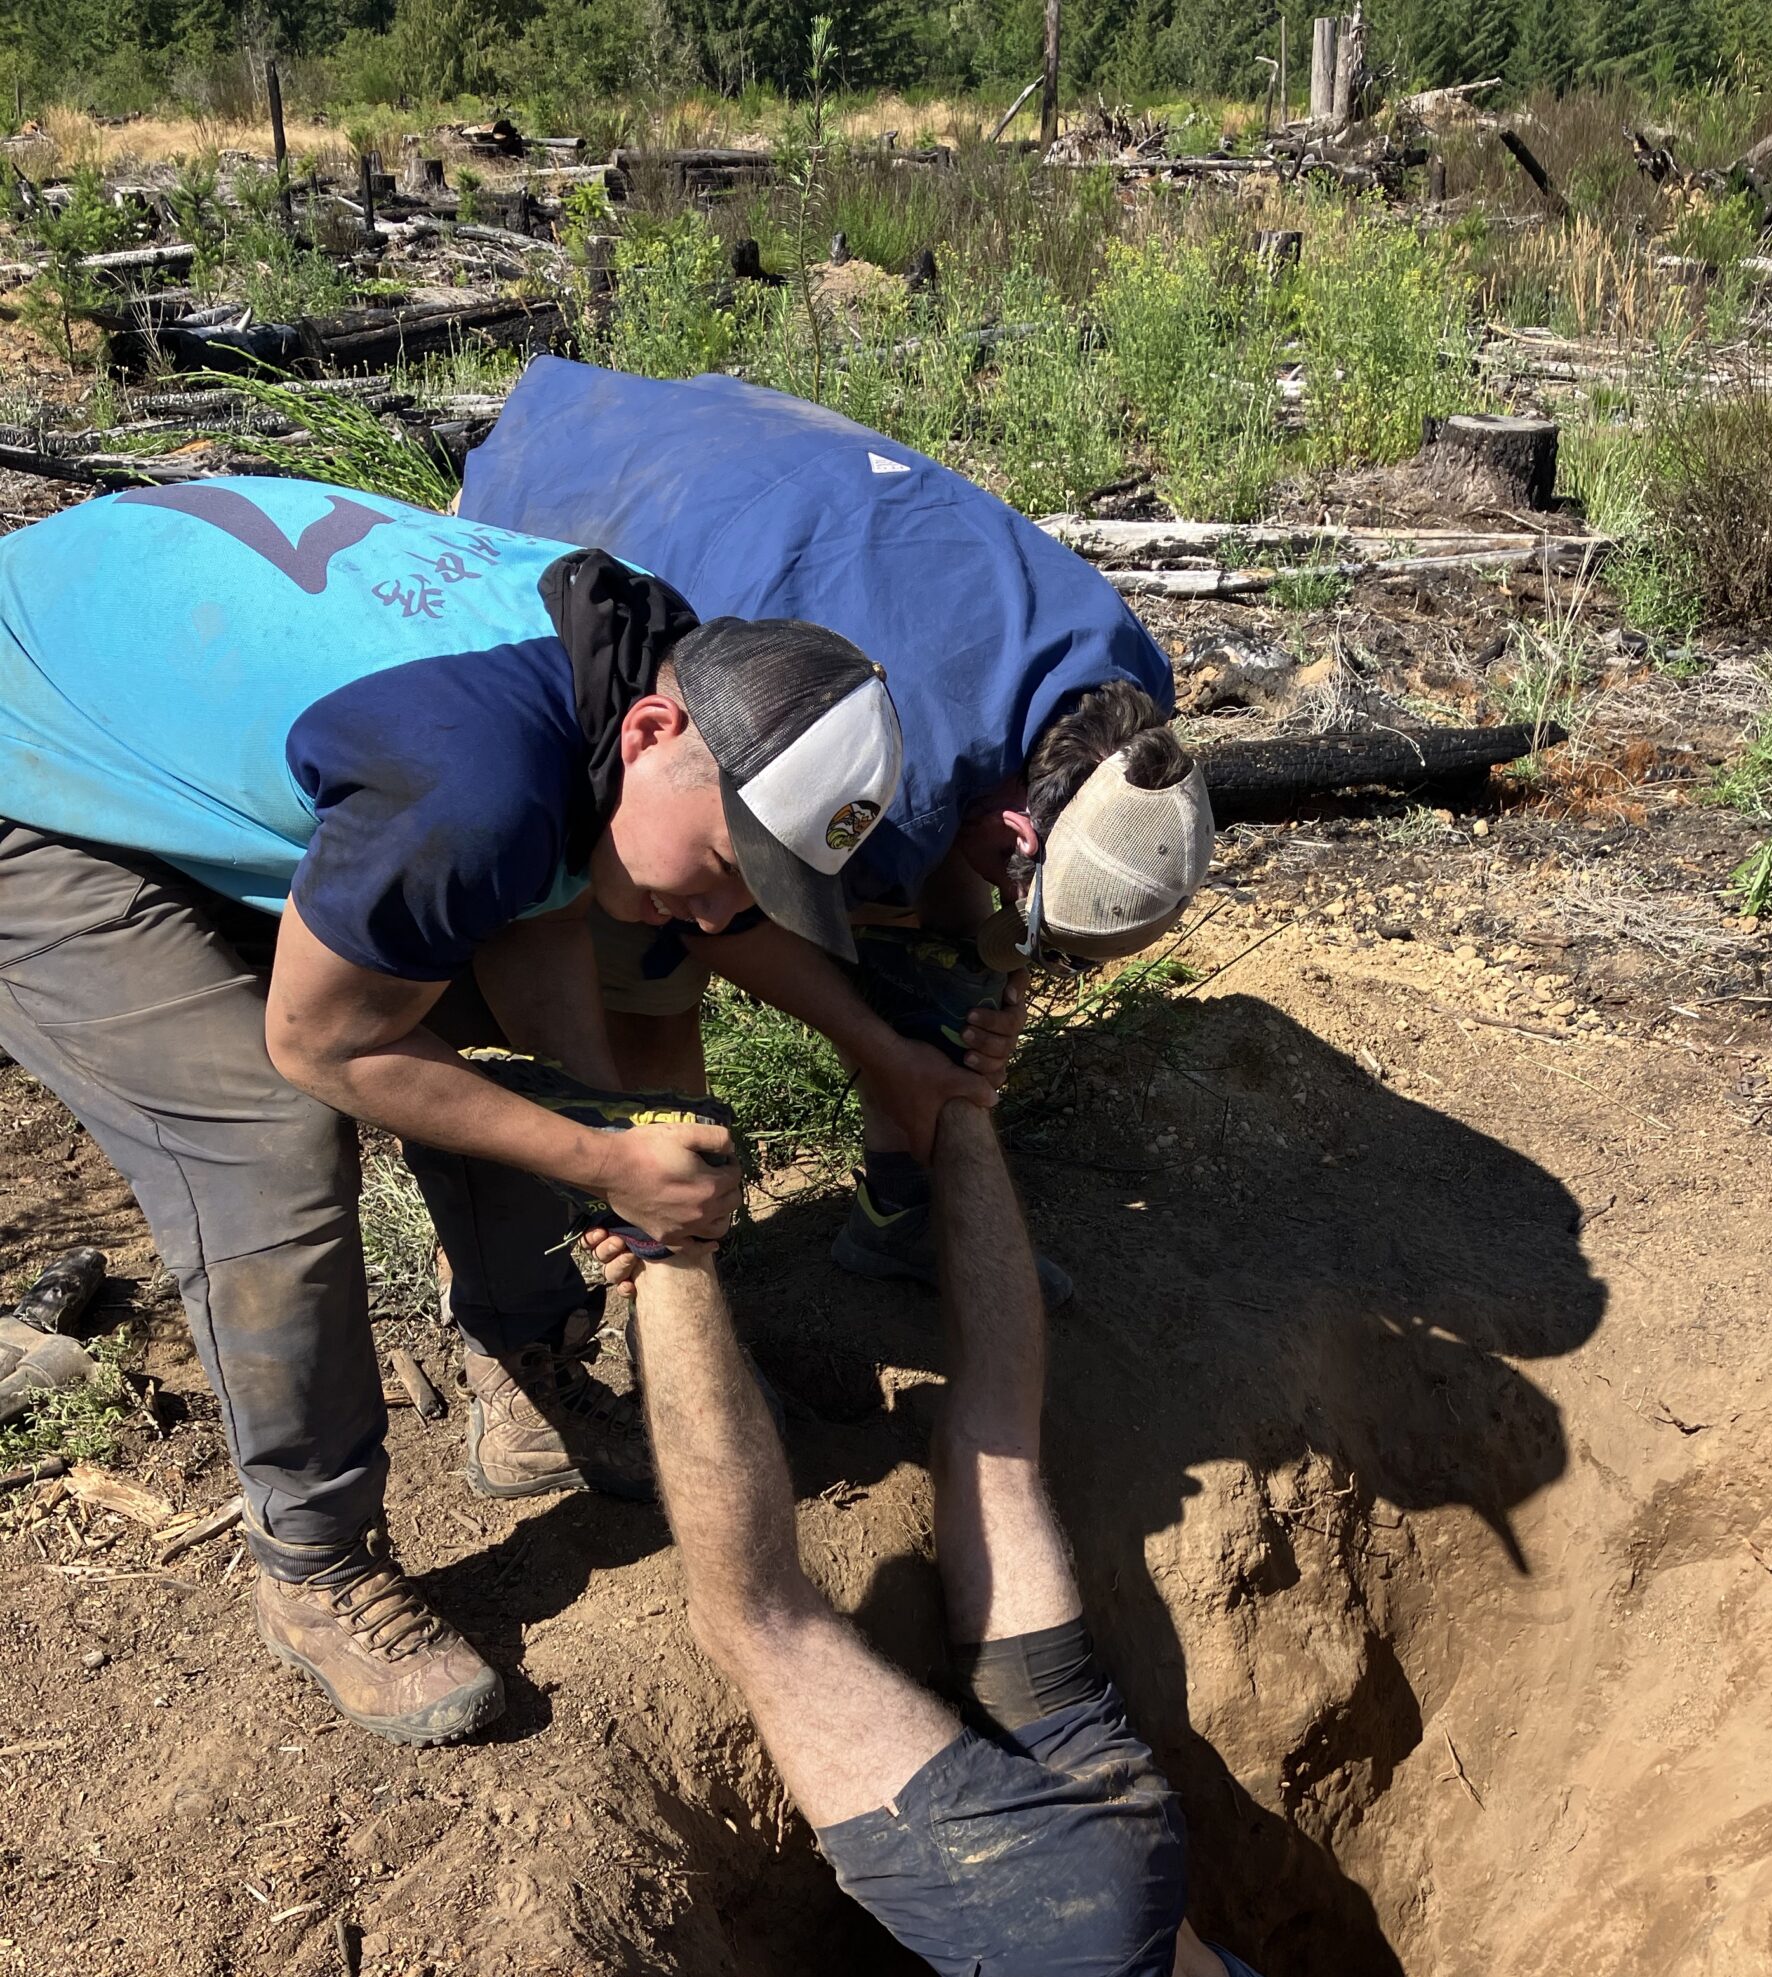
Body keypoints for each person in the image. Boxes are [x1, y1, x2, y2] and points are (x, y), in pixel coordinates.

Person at [0, 472, 978, 1747]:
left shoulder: (638, 652)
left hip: (163, 668)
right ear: (651, 737)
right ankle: (315, 1560)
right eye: (732, 869)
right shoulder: (473, 772)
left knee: (507, 1059)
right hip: (34, 757)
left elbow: (535, 896)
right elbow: (320, 1042)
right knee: (265, 1135)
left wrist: (597, 1137)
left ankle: (528, 1367)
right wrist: (595, 1153)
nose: (718, 921)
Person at [615, 1104, 1463, 1977]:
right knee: (759, 1621)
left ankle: (956, 1106)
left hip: (1143, 1856)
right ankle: (676, 1253)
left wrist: (952, 1089)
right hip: (1067, 1948)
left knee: (1000, 1443)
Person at [463, 362, 1217, 1304]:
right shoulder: (880, 783)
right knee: (648, 952)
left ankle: (902, 1215)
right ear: (1022, 819)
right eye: (1024, 901)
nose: (1016, 932)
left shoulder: (1125, 679)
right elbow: (720, 919)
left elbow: (950, 854)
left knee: (937, 957)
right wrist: (887, 1050)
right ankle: (658, 1278)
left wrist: (945, 1001)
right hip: (581, 485)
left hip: (753, 461)